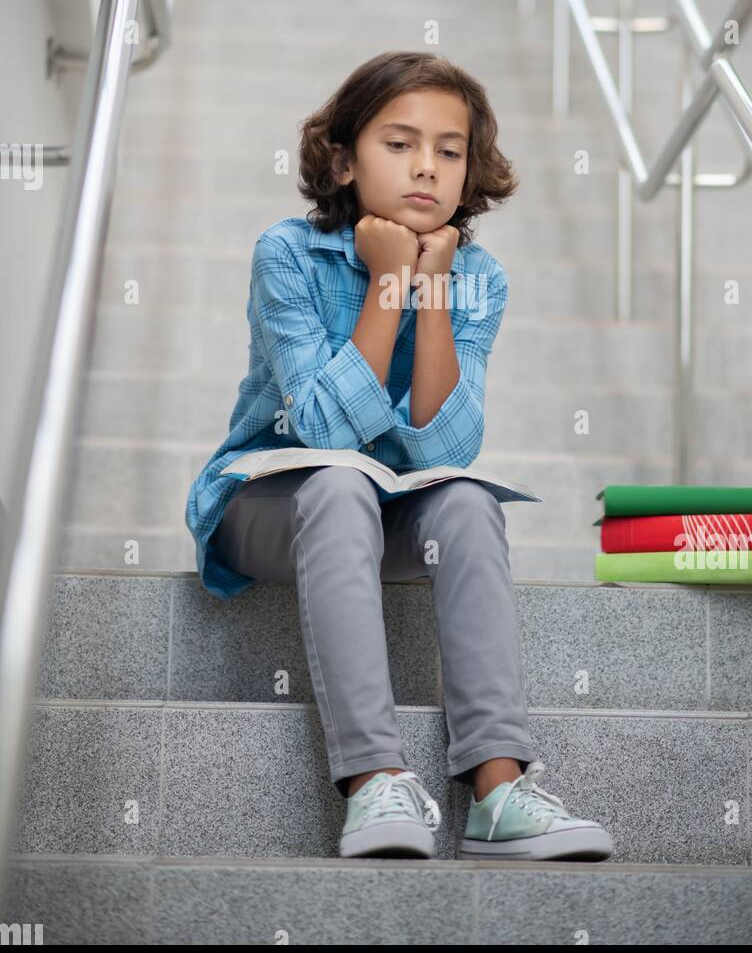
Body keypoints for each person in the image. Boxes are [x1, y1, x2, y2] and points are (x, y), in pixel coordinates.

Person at [185, 49, 613, 862]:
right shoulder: (288, 254)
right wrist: (386, 285)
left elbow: (445, 445)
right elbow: (321, 430)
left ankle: (497, 790)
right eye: (399, 144)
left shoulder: (477, 275)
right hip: (268, 507)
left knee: (468, 500)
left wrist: (433, 293)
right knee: (341, 478)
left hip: (389, 512)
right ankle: (374, 781)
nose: (427, 167)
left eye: (450, 151)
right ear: (343, 161)